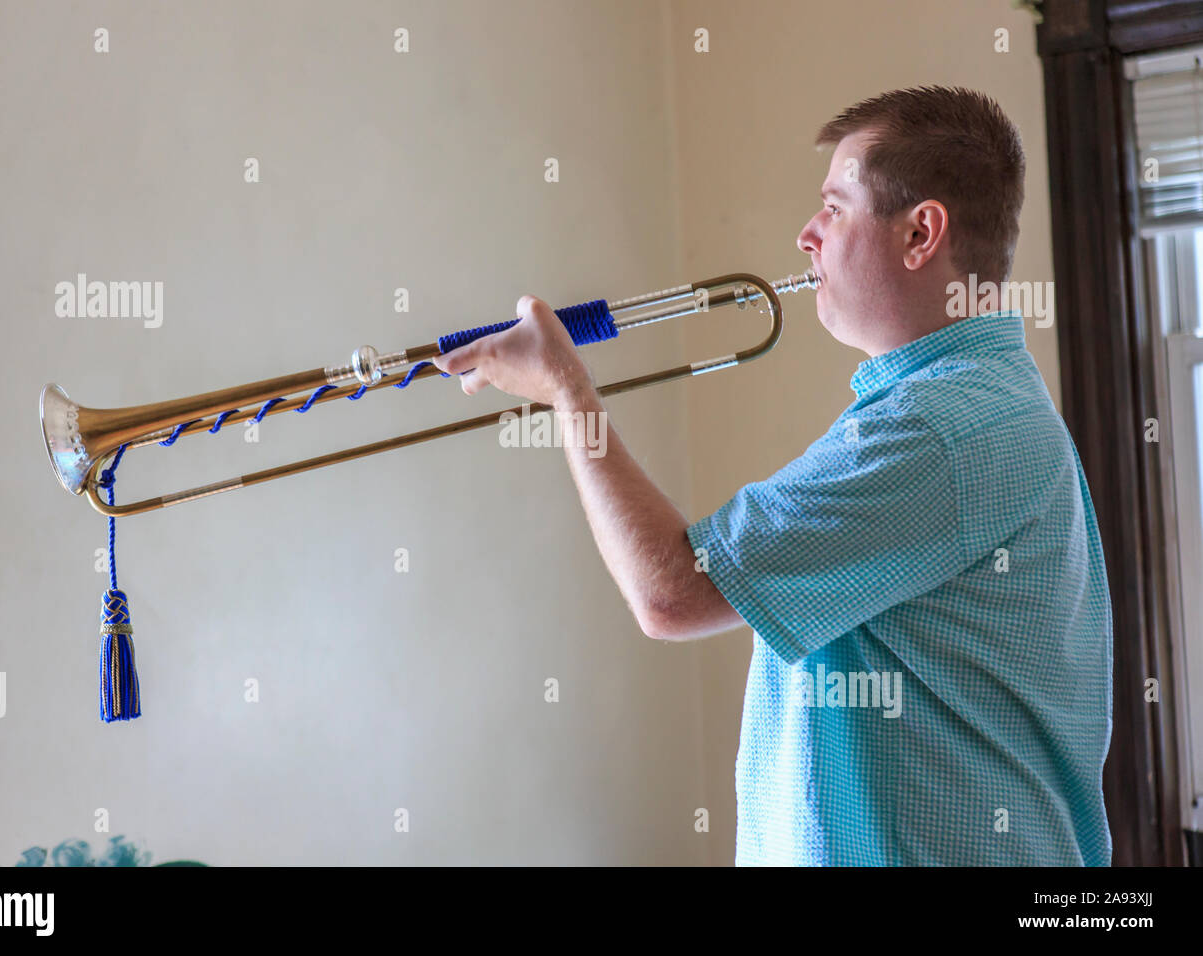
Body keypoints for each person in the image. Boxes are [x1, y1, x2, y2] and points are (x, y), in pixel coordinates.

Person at [432, 86, 1113, 867]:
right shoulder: (980, 404)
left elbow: (671, 591)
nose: (806, 235)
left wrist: (567, 394)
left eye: (834, 208)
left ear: (921, 232)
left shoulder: (936, 427)